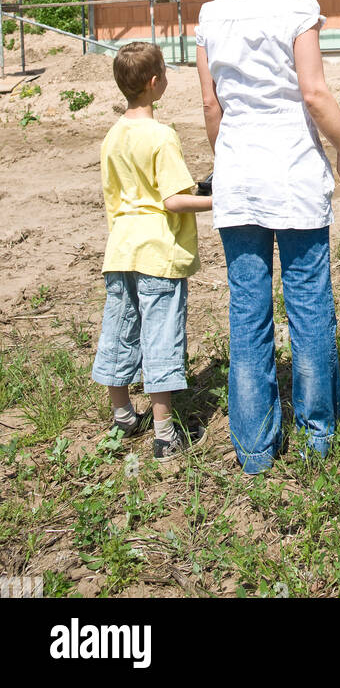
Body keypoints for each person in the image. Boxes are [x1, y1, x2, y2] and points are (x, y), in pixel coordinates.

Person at [195, 0, 340, 474]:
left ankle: (253, 449)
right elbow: (316, 94)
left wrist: (227, 160)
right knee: (309, 305)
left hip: (238, 176)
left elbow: (210, 106)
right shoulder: (298, 8)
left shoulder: (209, 15)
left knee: (248, 311)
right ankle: (318, 436)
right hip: (293, 173)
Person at [92, 42, 213, 459]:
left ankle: (123, 415)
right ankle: (165, 434)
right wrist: (222, 198)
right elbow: (173, 200)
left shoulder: (112, 136)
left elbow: (118, 194)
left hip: (121, 247)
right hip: (158, 251)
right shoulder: (162, 136)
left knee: (120, 330)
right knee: (161, 336)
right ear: (154, 82)